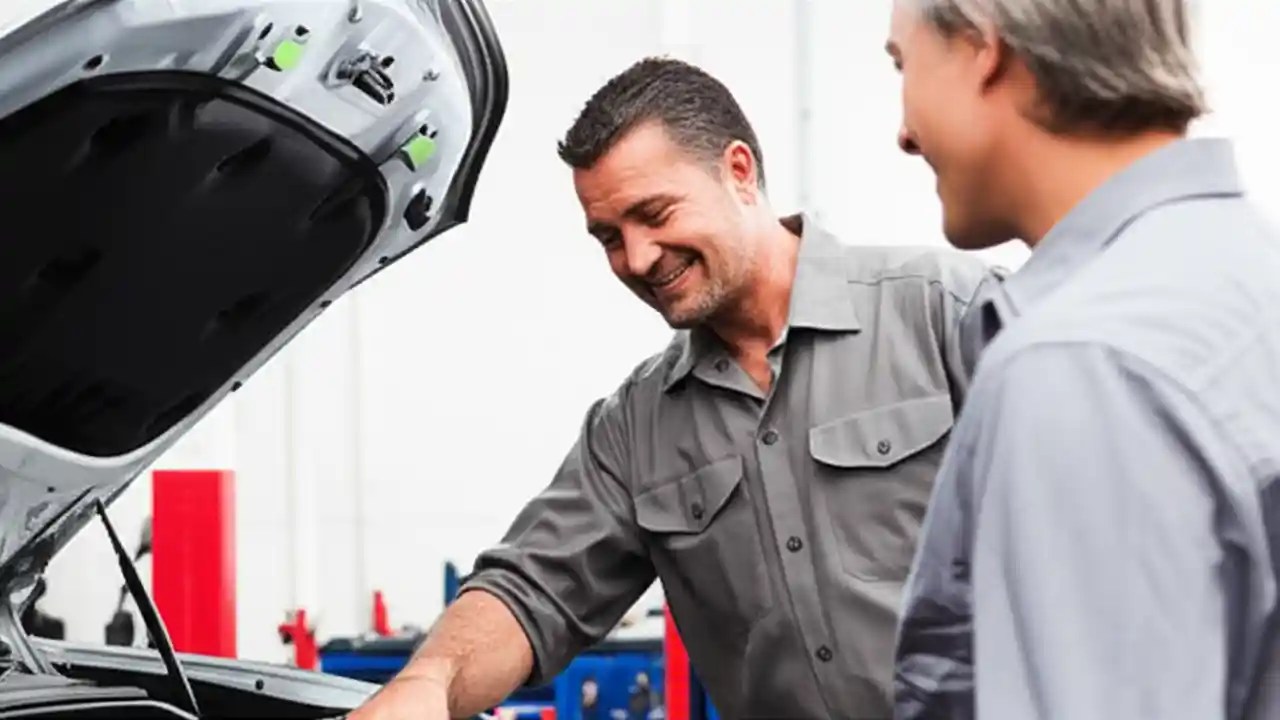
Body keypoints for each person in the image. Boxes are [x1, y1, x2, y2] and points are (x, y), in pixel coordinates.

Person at [350, 57, 1001, 720]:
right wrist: (427, 684)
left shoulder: (945, 313)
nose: (636, 258)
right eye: (609, 236)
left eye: (654, 213)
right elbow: (531, 589)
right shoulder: (637, 428)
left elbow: (1097, 528)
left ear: (739, 172)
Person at [885, 1, 1280, 718]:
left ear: (982, 49)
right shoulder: (1246, 277)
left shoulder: (1081, 362)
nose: (904, 133)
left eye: (901, 64)